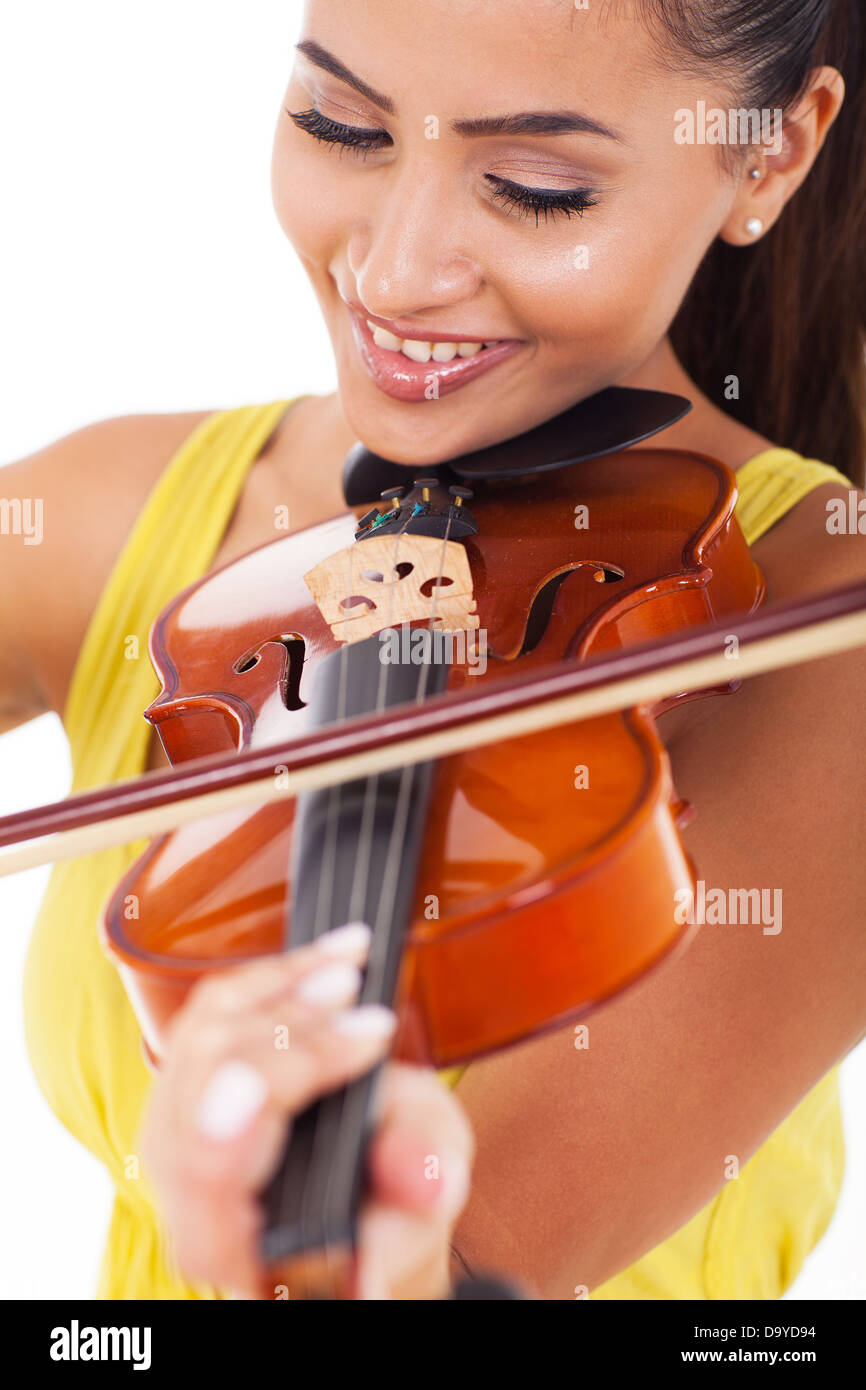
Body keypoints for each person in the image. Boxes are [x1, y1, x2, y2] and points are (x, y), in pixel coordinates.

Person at [5, 0, 866, 1300]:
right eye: (338, 121)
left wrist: (339, 1248)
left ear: (769, 154)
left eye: (534, 187)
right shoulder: (123, 516)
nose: (397, 271)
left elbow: (439, 1267)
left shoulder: (819, 638)